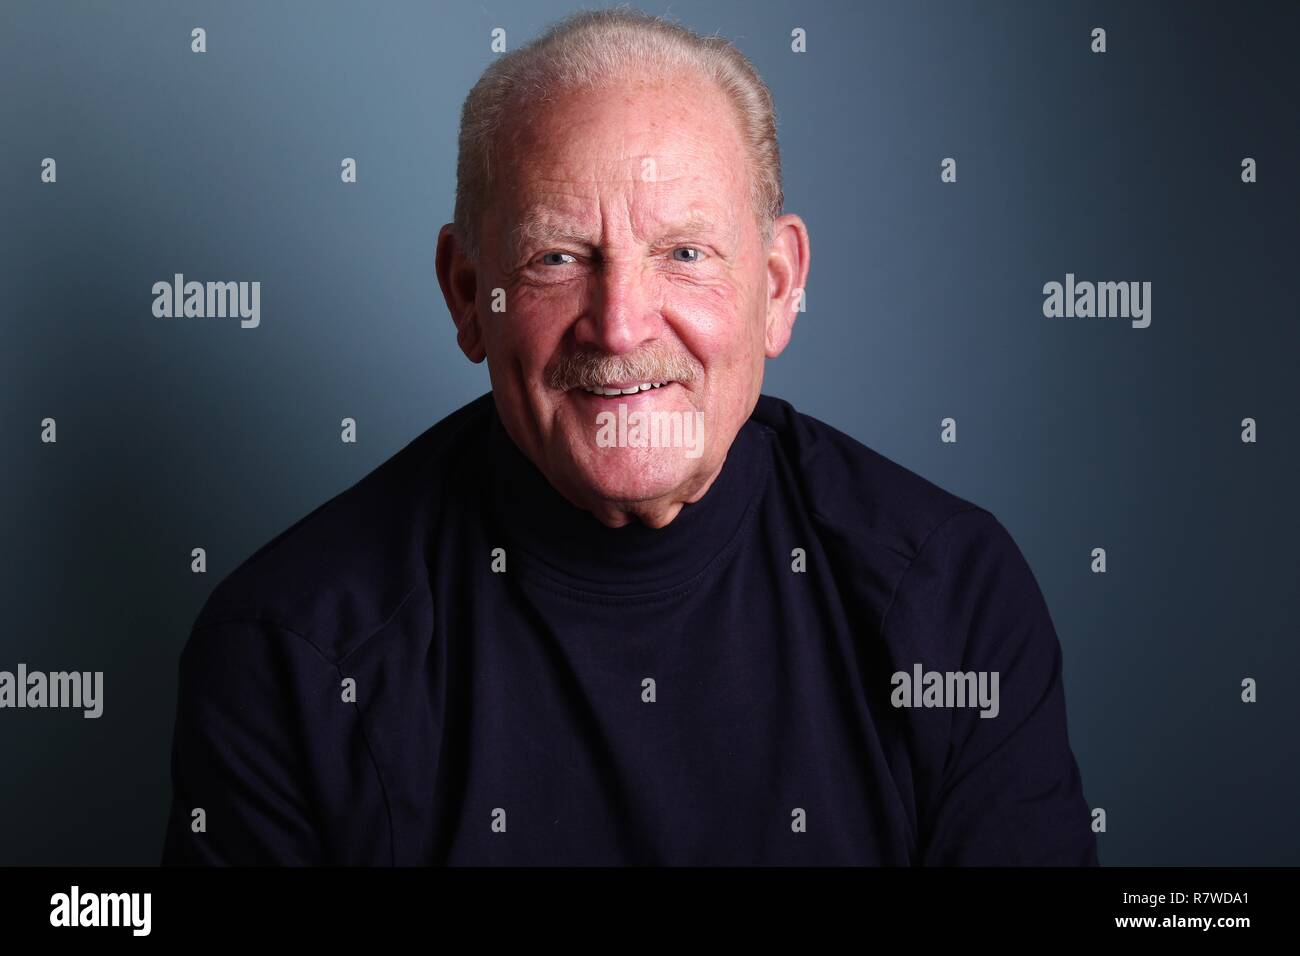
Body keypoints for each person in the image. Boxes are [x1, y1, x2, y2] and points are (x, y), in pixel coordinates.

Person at [162, 7, 1097, 866]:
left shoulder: (949, 600)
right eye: (557, 258)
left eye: (685, 254)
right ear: (467, 295)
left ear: (776, 287)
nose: (619, 326)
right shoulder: (290, 653)